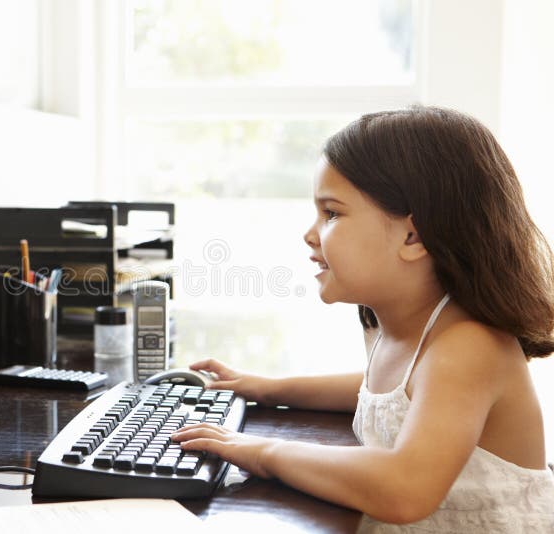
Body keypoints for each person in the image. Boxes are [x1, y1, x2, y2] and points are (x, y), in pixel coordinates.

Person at [171, 106, 554, 532]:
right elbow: (384, 393)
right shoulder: (397, 331)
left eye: (332, 213)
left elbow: (405, 489)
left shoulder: (468, 347)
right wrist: (267, 388)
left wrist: (262, 452)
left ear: (413, 236)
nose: (310, 234)